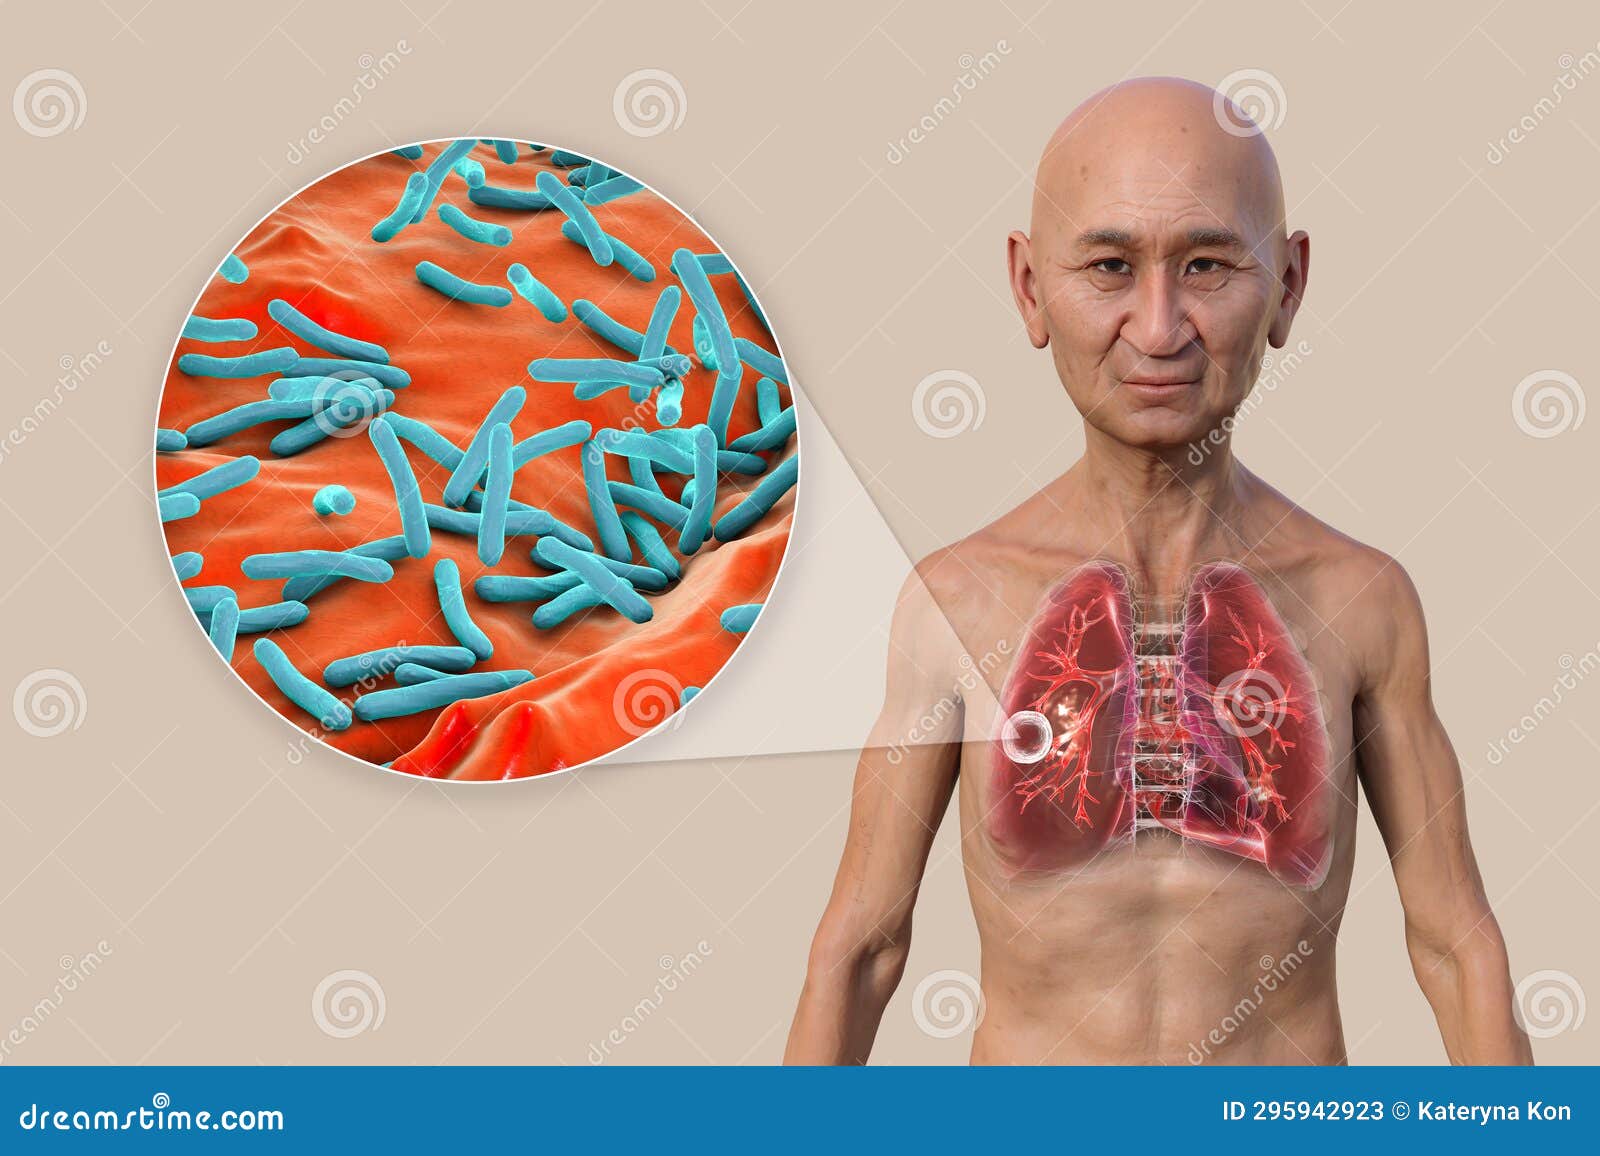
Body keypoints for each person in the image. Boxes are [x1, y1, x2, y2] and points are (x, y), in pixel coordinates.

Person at [784, 77, 1531, 1065]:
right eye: (1108, 265)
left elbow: (1451, 940)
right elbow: (865, 946)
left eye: (1207, 265)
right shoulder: (956, 600)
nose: (1158, 324)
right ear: (1028, 288)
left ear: (1287, 285)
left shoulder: (1361, 600)